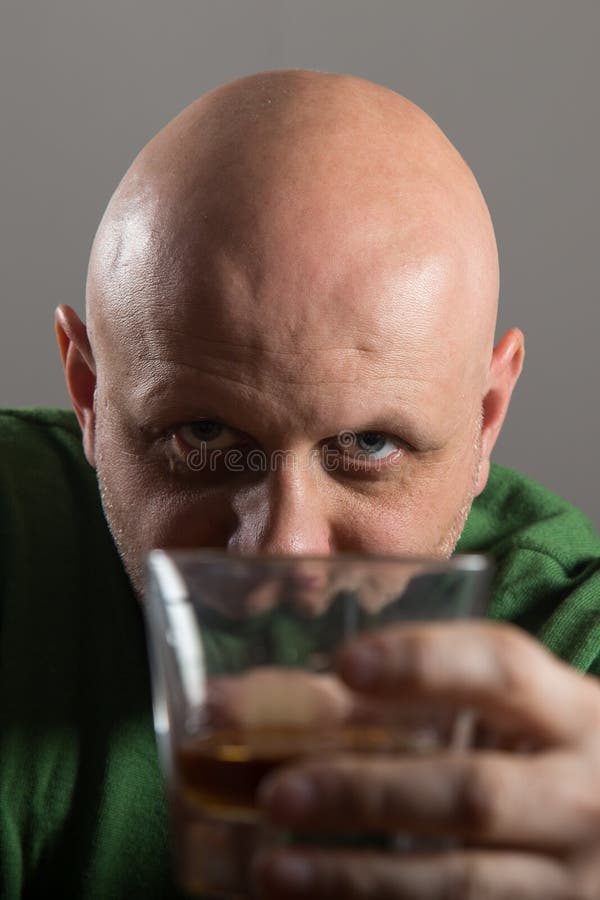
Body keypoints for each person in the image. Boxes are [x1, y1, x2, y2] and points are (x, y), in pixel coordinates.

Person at [1, 69, 599, 899]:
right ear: (89, 397)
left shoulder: (577, 661)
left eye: (369, 444)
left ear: (486, 418)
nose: (281, 552)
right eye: (202, 435)